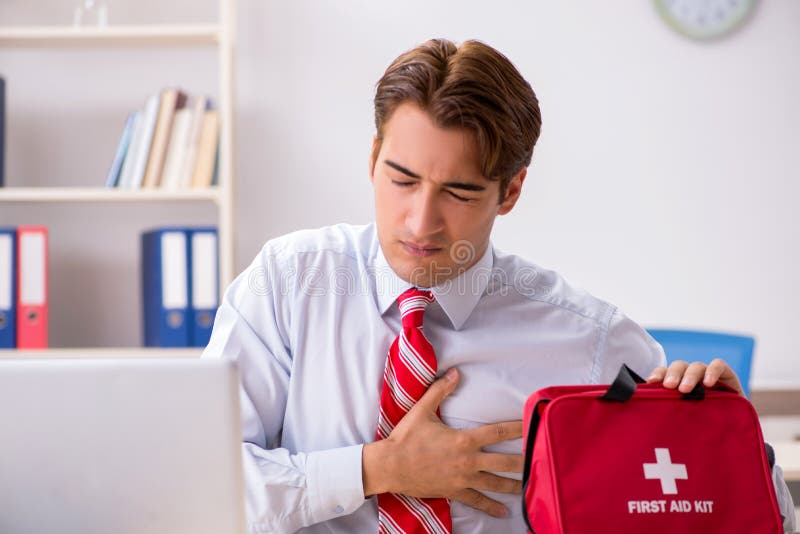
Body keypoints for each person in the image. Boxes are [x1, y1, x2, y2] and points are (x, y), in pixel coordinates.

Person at [203, 38, 796, 533]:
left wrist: (719, 433)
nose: (421, 222)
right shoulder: (288, 285)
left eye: (459, 193)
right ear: (373, 157)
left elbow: (765, 518)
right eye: (402, 180)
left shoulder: (590, 341)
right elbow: (199, 483)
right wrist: (375, 469)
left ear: (510, 191)